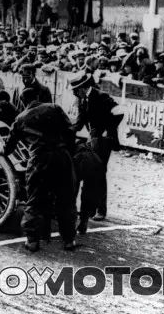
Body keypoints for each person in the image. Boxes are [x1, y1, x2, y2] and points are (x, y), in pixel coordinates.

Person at [0, 89, 77, 252]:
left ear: (23, 102)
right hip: (61, 157)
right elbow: (70, 131)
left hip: (39, 161)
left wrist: (2, 150)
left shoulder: (20, 118)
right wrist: (66, 150)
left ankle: (32, 241)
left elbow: (10, 145)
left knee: (34, 200)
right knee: (66, 199)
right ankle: (69, 240)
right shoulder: (54, 108)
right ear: (38, 97)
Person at [70, 72, 124, 222]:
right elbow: (79, 122)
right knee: (90, 171)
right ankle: (89, 209)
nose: (74, 92)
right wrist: (67, 130)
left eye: (76, 89)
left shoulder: (101, 96)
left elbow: (119, 112)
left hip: (104, 140)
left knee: (99, 173)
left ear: (82, 87)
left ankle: (101, 210)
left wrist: (108, 130)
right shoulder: (82, 100)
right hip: (94, 139)